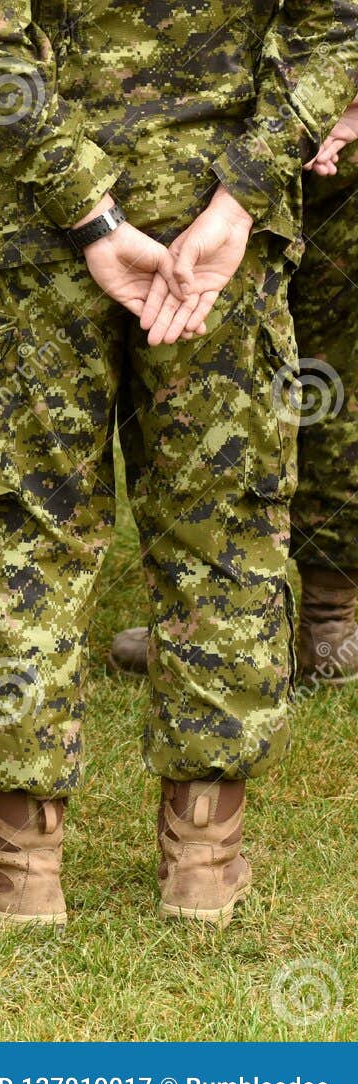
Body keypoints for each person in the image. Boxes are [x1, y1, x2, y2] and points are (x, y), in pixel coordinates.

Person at [0, 0, 358, 928]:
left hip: (39, 237)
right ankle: (204, 856)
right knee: (225, 529)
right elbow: (334, 31)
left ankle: (18, 862)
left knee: (28, 530)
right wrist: (239, 198)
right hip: (217, 234)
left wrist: (89, 210)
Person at [110, 92, 358, 687]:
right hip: (220, 144)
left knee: (334, 379)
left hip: (328, 148)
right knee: (205, 373)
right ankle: (210, 618)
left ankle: (330, 616)